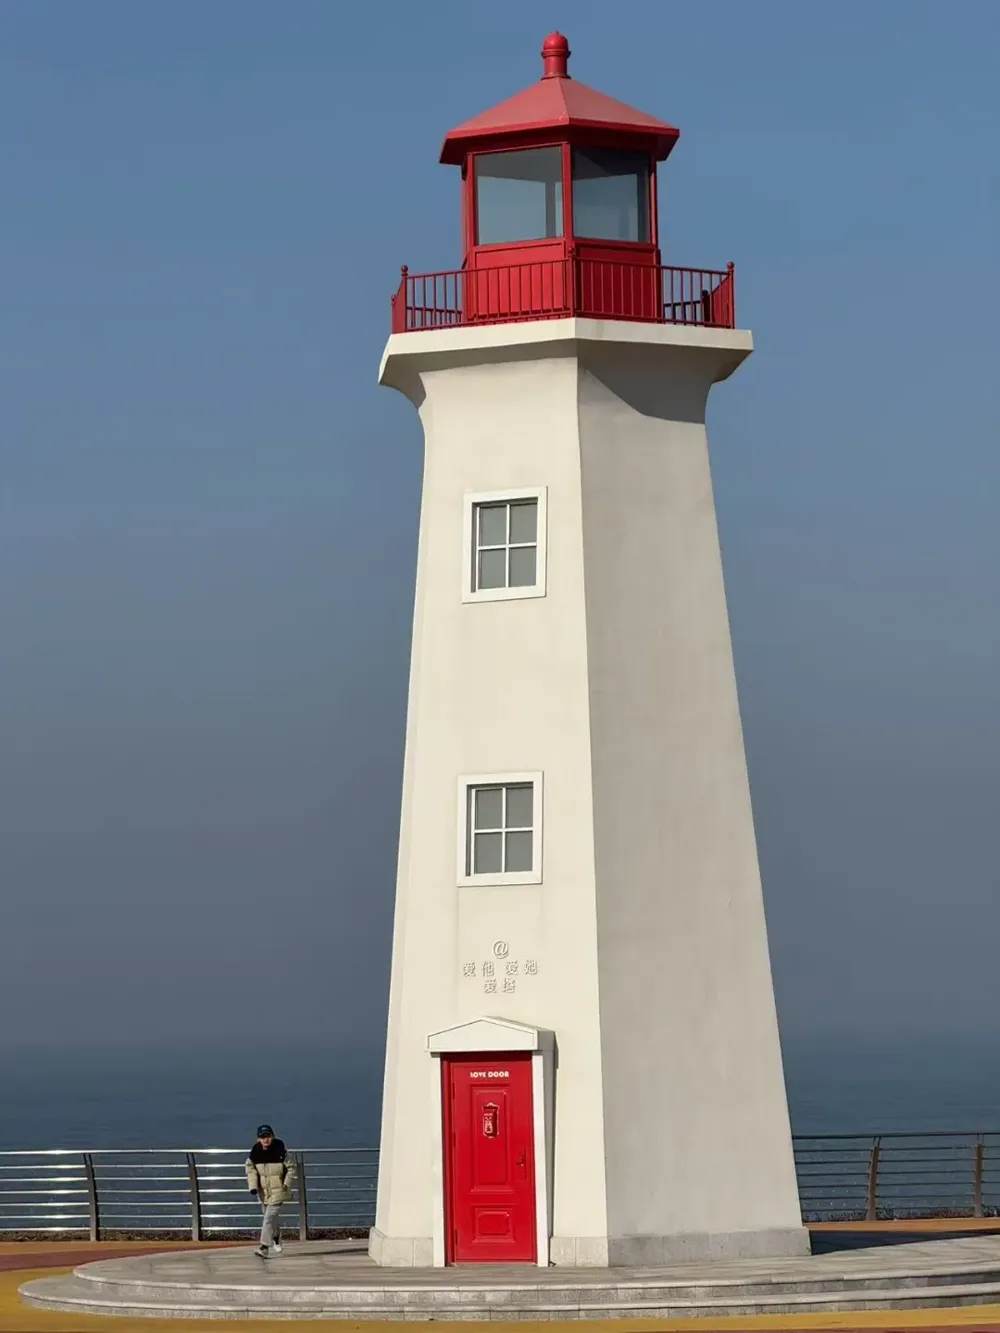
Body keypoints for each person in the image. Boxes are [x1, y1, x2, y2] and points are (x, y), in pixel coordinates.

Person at [245, 1124, 296, 1259]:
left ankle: (264, 1247)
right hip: (264, 1192)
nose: (265, 1139)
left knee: (268, 1219)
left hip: (279, 1190)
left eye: (268, 1136)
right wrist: (253, 1186)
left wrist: (286, 1184)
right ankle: (276, 1236)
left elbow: (292, 1168)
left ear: (272, 1136)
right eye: (262, 1137)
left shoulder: (281, 1151)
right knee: (269, 1218)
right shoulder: (255, 1153)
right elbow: (250, 1169)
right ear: (258, 1139)